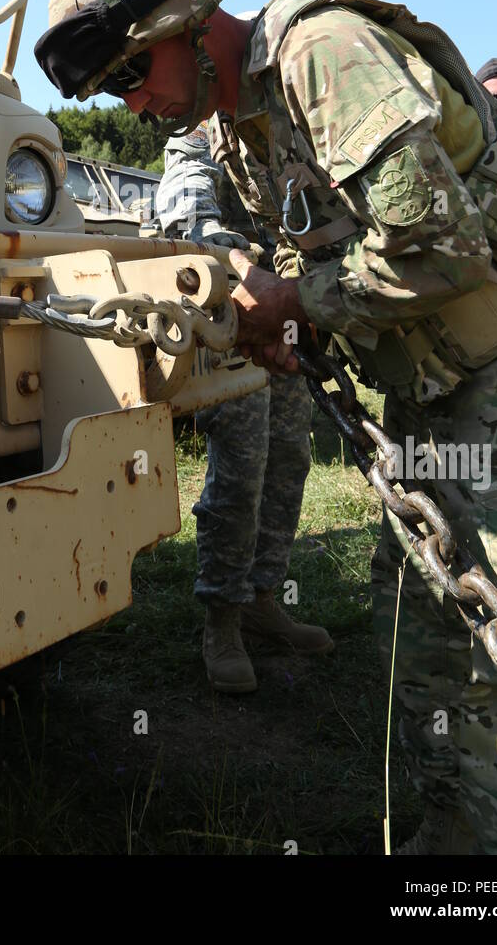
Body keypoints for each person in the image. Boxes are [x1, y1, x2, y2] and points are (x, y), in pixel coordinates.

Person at [36, 0, 497, 855]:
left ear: (188, 26)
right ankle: (451, 845)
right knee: (426, 627)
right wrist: (271, 293)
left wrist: (300, 303)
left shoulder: (323, 54)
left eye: (132, 74)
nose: (132, 104)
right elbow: (283, 247)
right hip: (430, 394)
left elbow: (443, 246)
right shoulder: (232, 127)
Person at [156, 121, 328, 694]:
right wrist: (256, 264)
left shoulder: (275, 141)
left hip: (284, 321)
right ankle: (222, 619)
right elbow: (188, 222)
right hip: (228, 327)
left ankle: (261, 597)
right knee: (240, 470)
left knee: (288, 460)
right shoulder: (195, 143)